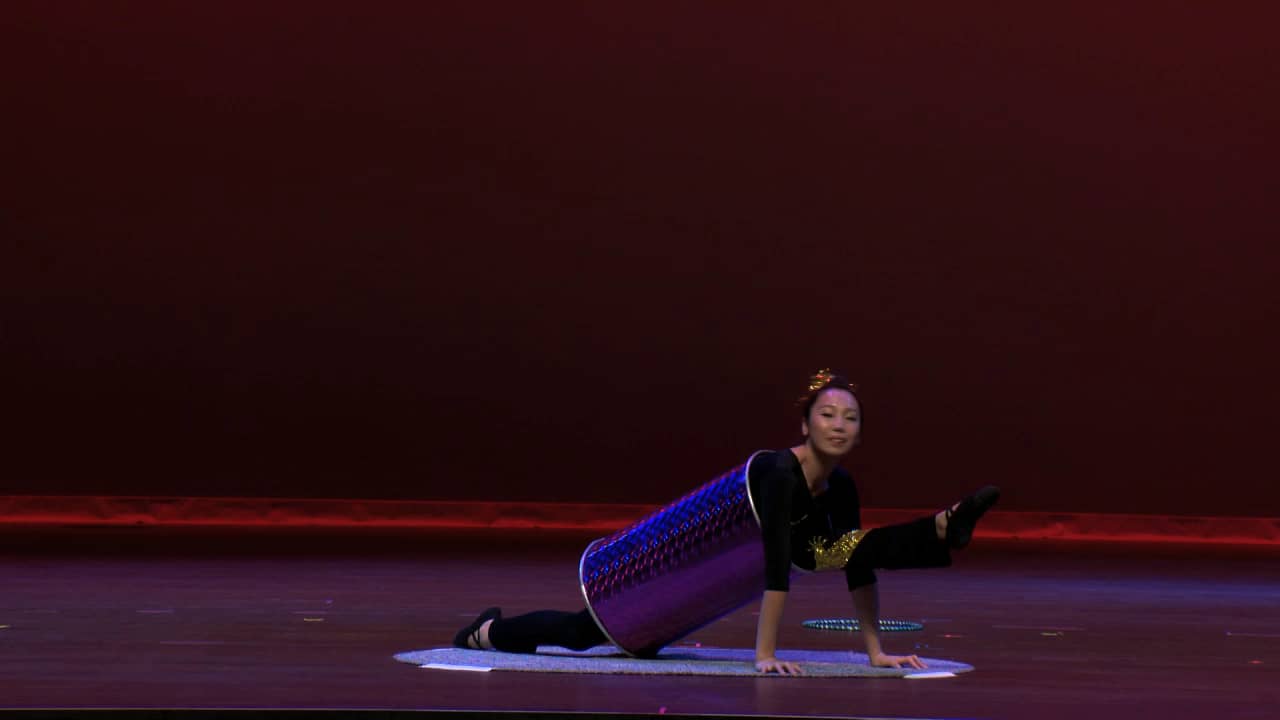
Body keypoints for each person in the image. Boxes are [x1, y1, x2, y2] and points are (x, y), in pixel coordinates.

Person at [453, 370, 1000, 674]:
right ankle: (485, 633)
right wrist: (765, 657)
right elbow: (775, 567)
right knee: (579, 634)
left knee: (850, 546)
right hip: (645, 576)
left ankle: (941, 527)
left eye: (850, 417)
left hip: (703, 593)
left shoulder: (842, 488)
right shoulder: (778, 473)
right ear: (804, 422)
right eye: (827, 414)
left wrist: (875, 651)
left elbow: (855, 563)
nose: (838, 424)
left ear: (861, 432)